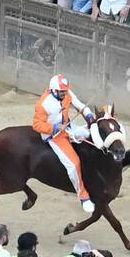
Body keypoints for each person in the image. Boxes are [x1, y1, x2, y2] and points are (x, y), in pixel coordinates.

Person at [32, 74, 98, 216]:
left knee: (93, 136)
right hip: (54, 136)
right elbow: (37, 125)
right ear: (54, 91)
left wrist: (89, 117)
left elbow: (80, 105)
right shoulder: (43, 104)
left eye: (66, 91)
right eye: (62, 92)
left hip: (68, 127)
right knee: (74, 163)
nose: (65, 93)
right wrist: (55, 128)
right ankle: (83, 195)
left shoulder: (66, 93)